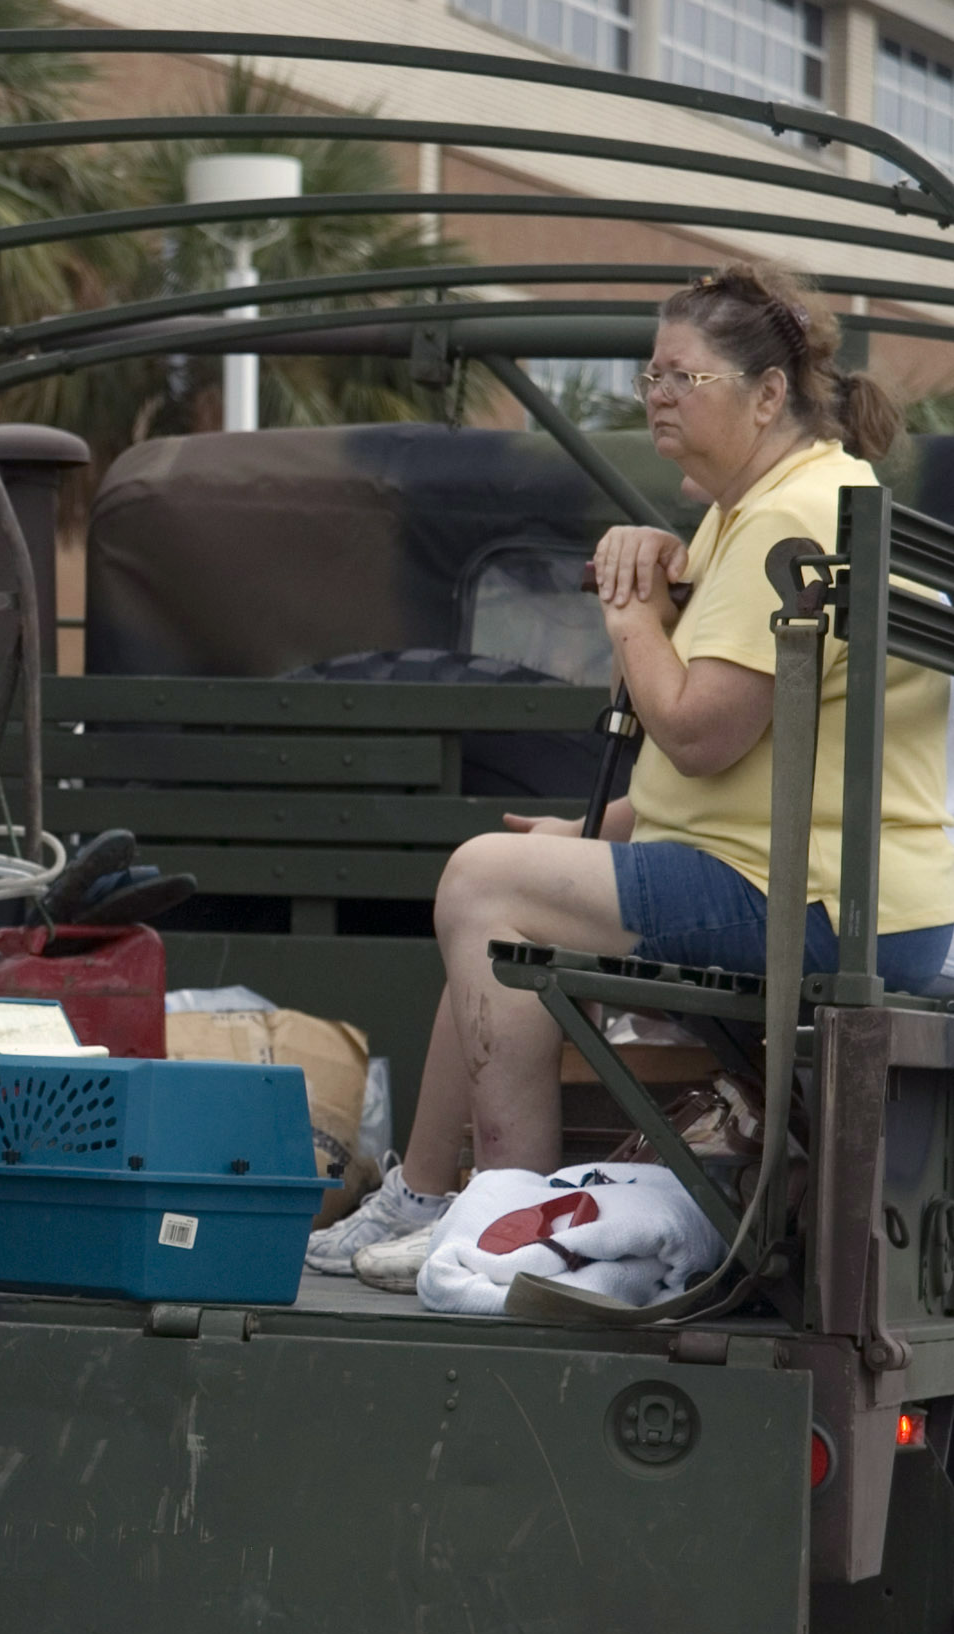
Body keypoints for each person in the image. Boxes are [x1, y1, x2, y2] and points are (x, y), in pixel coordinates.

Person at [310, 262, 954, 1284]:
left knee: (484, 880)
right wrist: (609, 828)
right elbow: (777, 762)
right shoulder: (792, 500)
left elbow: (700, 733)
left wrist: (625, 608)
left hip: (813, 904)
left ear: (768, 393)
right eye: (648, 375)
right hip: (864, 892)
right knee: (505, 895)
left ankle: (497, 1211)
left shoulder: (786, 518)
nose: (654, 393)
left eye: (681, 376)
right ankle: (426, 1190)